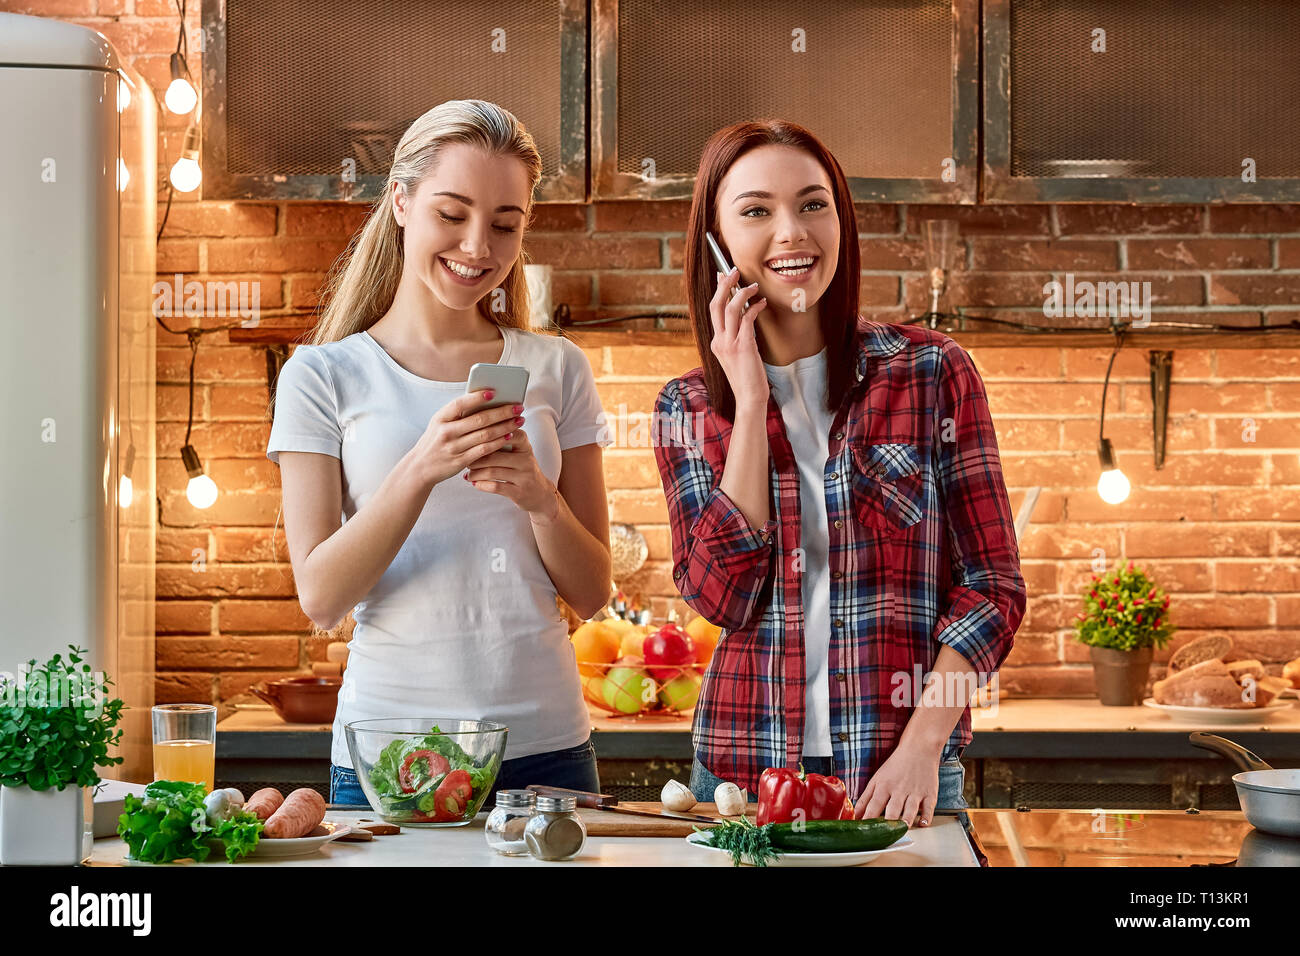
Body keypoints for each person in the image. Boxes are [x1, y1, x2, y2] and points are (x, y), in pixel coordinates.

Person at [652, 120, 1027, 826]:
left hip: (901, 771)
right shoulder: (689, 406)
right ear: (717, 239)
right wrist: (753, 395)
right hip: (740, 776)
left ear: (841, 220)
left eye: (813, 204)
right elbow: (720, 598)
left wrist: (923, 746)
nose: (791, 232)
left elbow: (993, 591)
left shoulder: (931, 372)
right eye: (757, 210)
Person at [265, 100, 613, 807]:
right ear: (400, 202)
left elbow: (593, 591)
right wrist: (421, 466)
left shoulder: (558, 367)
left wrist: (540, 500)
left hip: (545, 752)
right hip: (391, 755)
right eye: (451, 214)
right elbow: (322, 596)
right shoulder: (323, 375)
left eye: (505, 224)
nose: (478, 246)